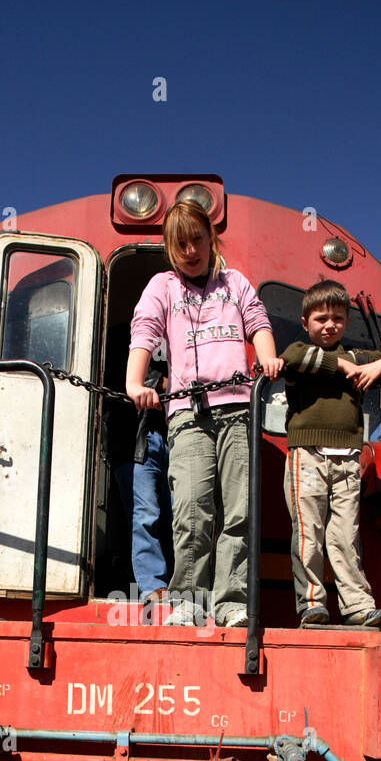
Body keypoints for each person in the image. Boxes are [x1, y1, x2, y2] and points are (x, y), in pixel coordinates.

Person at [126, 201, 283, 627]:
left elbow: (257, 322)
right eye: (180, 244)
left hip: (237, 410)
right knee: (192, 507)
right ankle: (189, 601)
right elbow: (145, 330)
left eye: (197, 239)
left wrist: (266, 359)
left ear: (211, 239)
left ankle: (232, 601)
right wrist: (134, 383)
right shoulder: (163, 286)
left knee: (239, 509)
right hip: (187, 415)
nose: (191, 250)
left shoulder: (235, 283)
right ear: (169, 249)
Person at [281, 279, 381, 629]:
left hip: (347, 458)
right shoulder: (303, 355)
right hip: (306, 456)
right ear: (305, 322)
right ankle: (311, 604)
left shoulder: (360, 358)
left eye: (338, 319)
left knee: (345, 535)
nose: (329, 325)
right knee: (308, 531)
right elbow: (293, 357)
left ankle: (357, 605)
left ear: (347, 322)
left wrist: (380, 366)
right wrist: (342, 367)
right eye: (321, 319)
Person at [102, 324, 173, 611]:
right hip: (133, 440)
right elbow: (119, 374)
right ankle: (153, 585)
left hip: (171, 437)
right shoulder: (121, 339)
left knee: (175, 516)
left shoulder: (179, 335)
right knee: (145, 514)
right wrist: (163, 383)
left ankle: (175, 583)